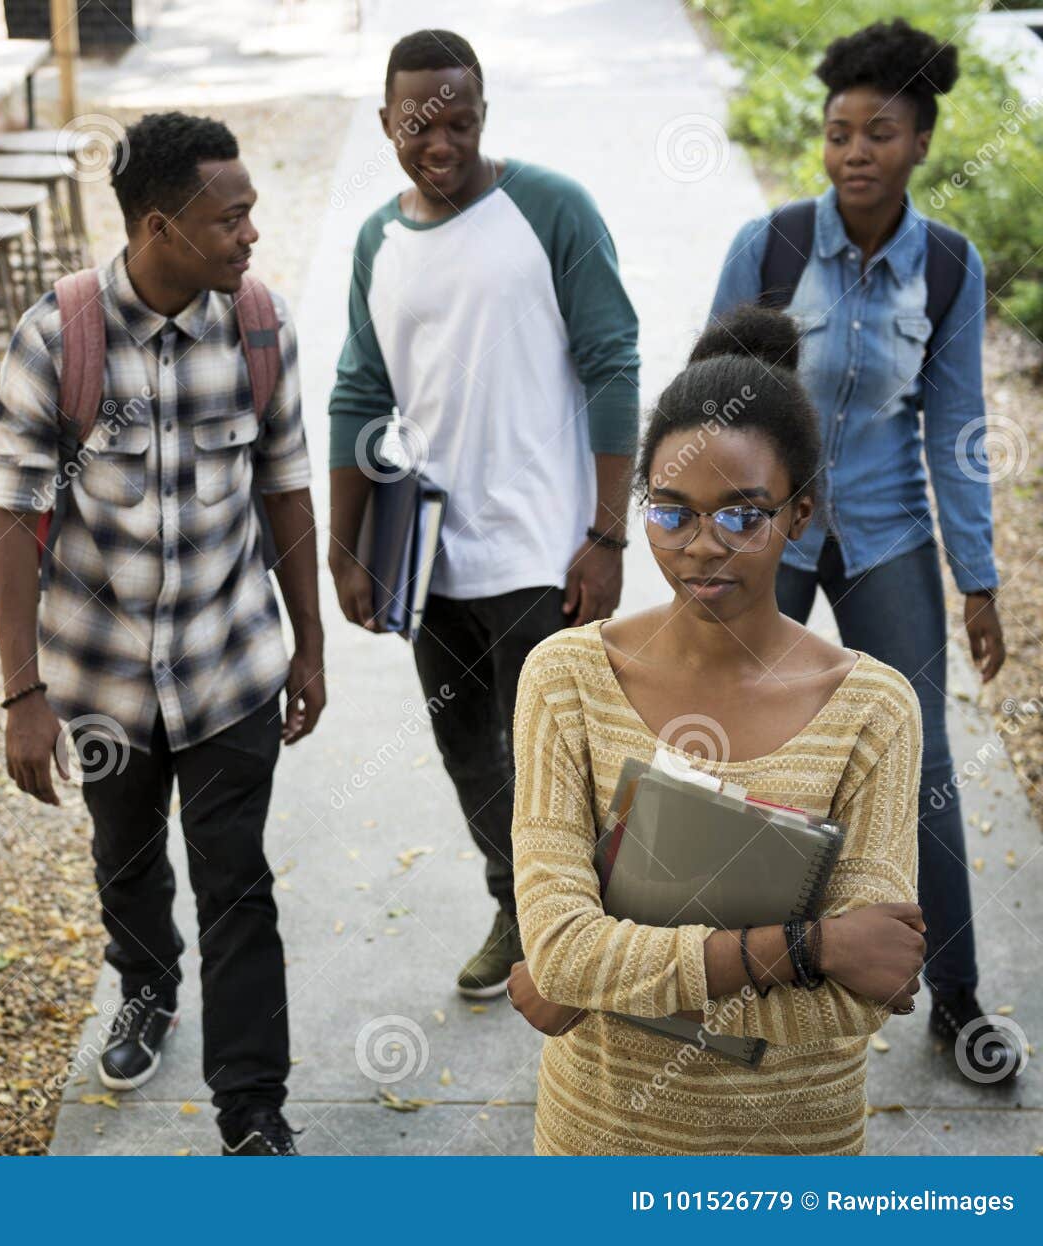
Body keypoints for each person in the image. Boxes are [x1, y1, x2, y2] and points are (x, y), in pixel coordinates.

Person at [0, 112, 324, 1156]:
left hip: (229, 669)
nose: (251, 234)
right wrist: (21, 694)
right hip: (103, 681)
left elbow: (287, 493)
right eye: (231, 218)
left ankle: (251, 1110)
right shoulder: (59, 336)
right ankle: (145, 986)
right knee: (125, 861)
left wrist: (309, 648)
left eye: (253, 212)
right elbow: (10, 519)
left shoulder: (258, 327)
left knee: (238, 883)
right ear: (160, 226)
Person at [507, 306, 926, 1155]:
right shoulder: (567, 679)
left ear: (800, 515)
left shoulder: (874, 710)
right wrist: (812, 944)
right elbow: (559, 953)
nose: (702, 547)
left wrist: (607, 975)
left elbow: (859, 999)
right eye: (671, 513)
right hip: (601, 1139)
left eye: (742, 516)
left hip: (796, 1151)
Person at [708, 19, 1018, 1082]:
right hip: (773, 539)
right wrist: (718, 539)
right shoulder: (772, 248)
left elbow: (958, 425)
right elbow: (717, 400)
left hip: (888, 532)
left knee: (920, 757)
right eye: (837, 132)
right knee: (753, 758)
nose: (851, 152)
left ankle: (959, 996)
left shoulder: (945, 266)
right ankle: (746, 981)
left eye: (876, 133)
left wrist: (975, 578)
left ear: (920, 142)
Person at [327, 29, 640, 999]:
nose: (440, 142)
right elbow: (356, 394)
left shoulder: (550, 209)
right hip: (429, 563)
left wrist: (606, 531)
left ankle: (586, 936)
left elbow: (612, 364)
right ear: (387, 121)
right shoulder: (379, 240)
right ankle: (518, 906)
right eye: (419, 123)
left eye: (459, 121)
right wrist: (346, 549)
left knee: (555, 767)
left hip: (542, 555)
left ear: (482, 116)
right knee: (467, 754)